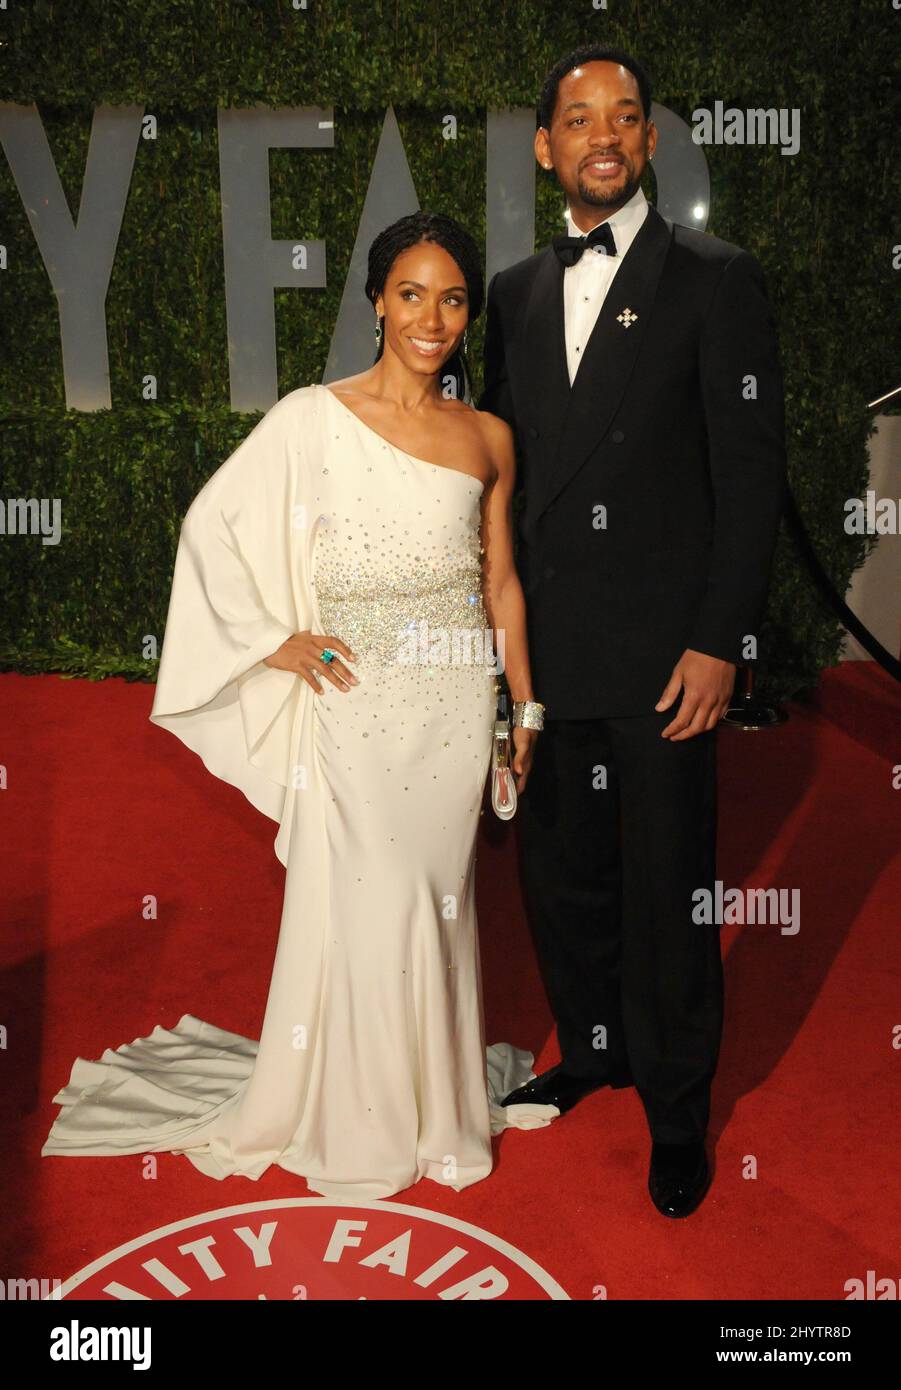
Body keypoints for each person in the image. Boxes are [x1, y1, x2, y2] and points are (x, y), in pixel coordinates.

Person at [41, 212, 558, 1201]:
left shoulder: (488, 435)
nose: (431, 317)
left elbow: (499, 586)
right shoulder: (309, 419)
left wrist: (521, 711)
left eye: (452, 299)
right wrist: (265, 640)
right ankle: (356, 1112)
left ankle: (432, 1105)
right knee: (365, 904)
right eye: (411, 293)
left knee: (437, 909)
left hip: (452, 707)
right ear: (375, 300)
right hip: (353, 704)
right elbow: (211, 526)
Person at [481, 45, 787, 1216]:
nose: (601, 134)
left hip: (669, 661)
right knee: (563, 878)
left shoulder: (716, 278)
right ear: (547, 147)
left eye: (624, 116)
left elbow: (748, 479)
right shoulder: (510, 294)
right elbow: (503, 480)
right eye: (576, 118)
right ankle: (597, 1050)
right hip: (550, 657)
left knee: (668, 892)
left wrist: (720, 640)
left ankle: (675, 1107)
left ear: (650, 142)